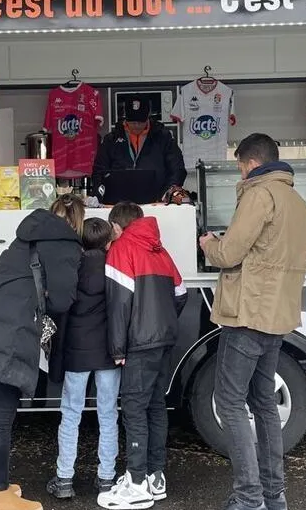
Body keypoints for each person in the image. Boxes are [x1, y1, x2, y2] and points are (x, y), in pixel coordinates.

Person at [197, 134, 306, 510]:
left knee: (230, 401)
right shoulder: (299, 204)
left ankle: (249, 499)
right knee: (263, 402)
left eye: (239, 166)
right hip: (278, 317)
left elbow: (229, 252)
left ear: (250, 163)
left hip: (248, 314)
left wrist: (208, 244)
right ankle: (272, 495)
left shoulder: (259, 195)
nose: (240, 171)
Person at [0, 194, 86, 510]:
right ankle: (1, 496)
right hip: (12, 333)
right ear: (76, 222)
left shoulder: (22, 240)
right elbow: (63, 302)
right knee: (2, 416)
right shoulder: (66, 247)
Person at [98, 202, 188, 510]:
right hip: (164, 342)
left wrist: (118, 348)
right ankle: (155, 476)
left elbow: (119, 304)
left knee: (134, 409)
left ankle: (135, 484)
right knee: (155, 407)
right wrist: (163, 323)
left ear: (118, 227)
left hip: (138, 344)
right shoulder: (160, 250)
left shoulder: (122, 248)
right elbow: (181, 293)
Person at [46, 217, 122, 500]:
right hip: (108, 352)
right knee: (108, 415)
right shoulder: (116, 267)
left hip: (77, 352)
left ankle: (64, 478)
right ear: (108, 241)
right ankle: (106, 478)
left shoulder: (71, 269)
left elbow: (59, 308)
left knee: (70, 415)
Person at [91, 100, 187, 203]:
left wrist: (167, 193)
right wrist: (98, 195)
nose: (136, 125)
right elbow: (99, 171)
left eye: (140, 122)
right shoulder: (111, 139)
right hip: (118, 204)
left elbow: (177, 169)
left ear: (147, 118)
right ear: (125, 119)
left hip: (156, 202)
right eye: (132, 122)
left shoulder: (163, 137)